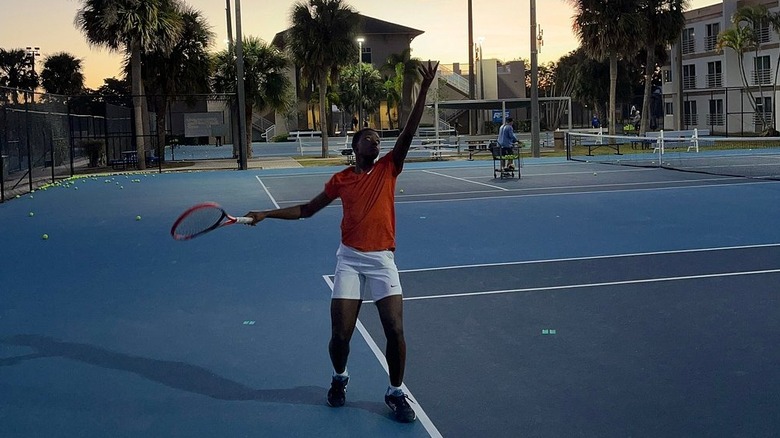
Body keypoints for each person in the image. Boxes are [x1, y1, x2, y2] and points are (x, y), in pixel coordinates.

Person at [244, 60, 439, 424]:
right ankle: (340, 378)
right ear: (355, 146)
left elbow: (408, 133)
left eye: (378, 137)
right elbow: (306, 209)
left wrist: (424, 90)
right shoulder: (341, 180)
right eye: (368, 137)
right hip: (349, 259)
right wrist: (265, 214)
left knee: (395, 330)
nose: (375, 139)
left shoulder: (388, 168)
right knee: (340, 335)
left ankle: (395, 391)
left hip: (382, 259)